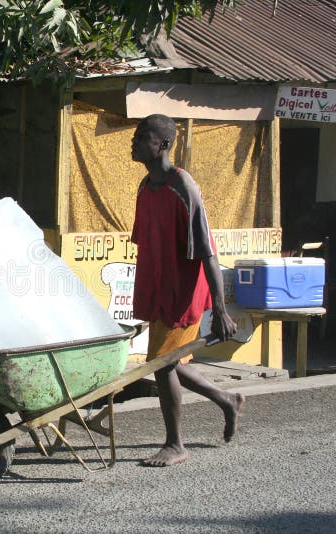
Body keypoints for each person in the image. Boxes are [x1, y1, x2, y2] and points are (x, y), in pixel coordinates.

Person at [129, 114, 245, 467]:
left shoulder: (184, 187)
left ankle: (175, 444)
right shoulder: (145, 186)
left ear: (163, 144)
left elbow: (208, 252)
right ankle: (226, 399)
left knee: (162, 364)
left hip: (182, 292)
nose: (134, 141)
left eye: (142, 136)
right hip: (158, 289)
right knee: (166, 362)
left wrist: (220, 310)